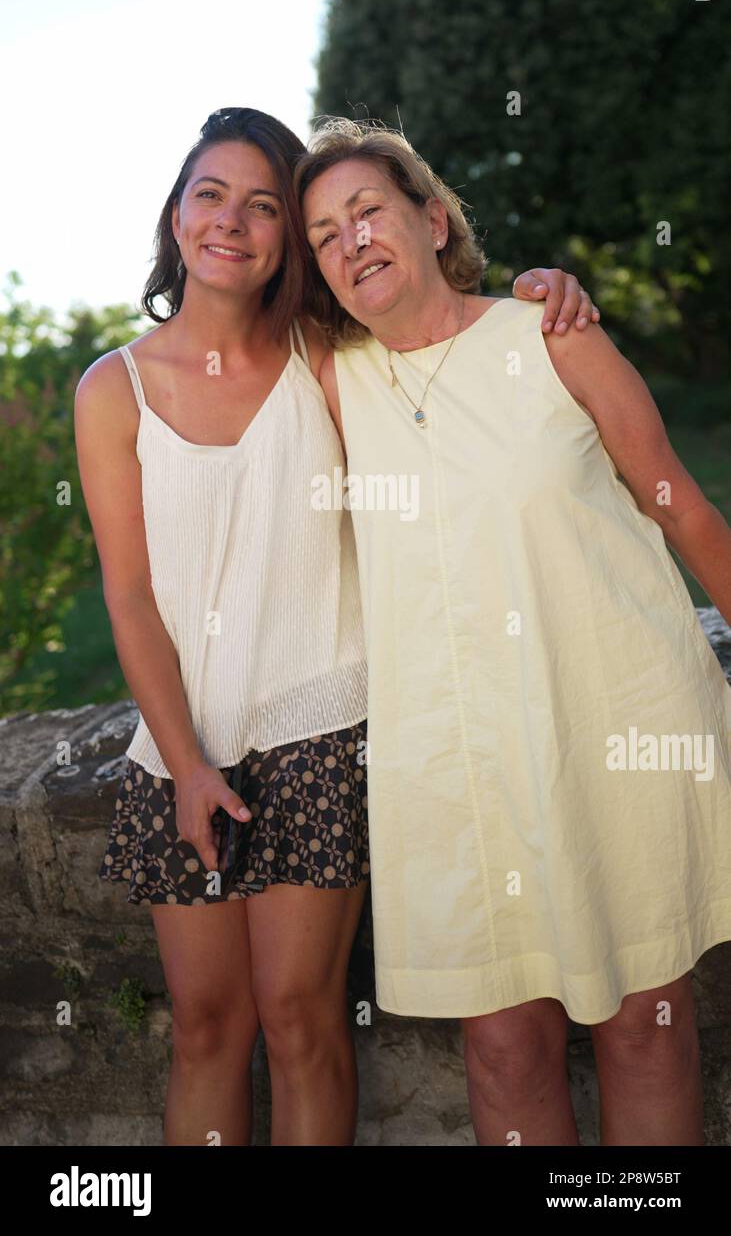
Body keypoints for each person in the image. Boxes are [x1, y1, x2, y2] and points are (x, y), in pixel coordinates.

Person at [74, 106, 593, 1147]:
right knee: (206, 1030)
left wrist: (539, 291)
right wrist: (183, 764)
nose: (233, 220)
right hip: (176, 751)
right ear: (175, 216)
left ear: (284, 244)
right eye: (210, 195)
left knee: (302, 1021)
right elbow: (128, 598)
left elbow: (442, 335)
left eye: (265, 206)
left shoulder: (328, 355)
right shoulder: (112, 389)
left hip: (319, 729)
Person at [295, 117, 731, 1147]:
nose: (350, 239)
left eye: (367, 210)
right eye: (322, 234)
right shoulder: (327, 376)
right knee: (500, 1045)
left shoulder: (548, 333)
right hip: (453, 763)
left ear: (432, 218)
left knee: (642, 1027)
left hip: (611, 719)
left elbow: (678, 503)